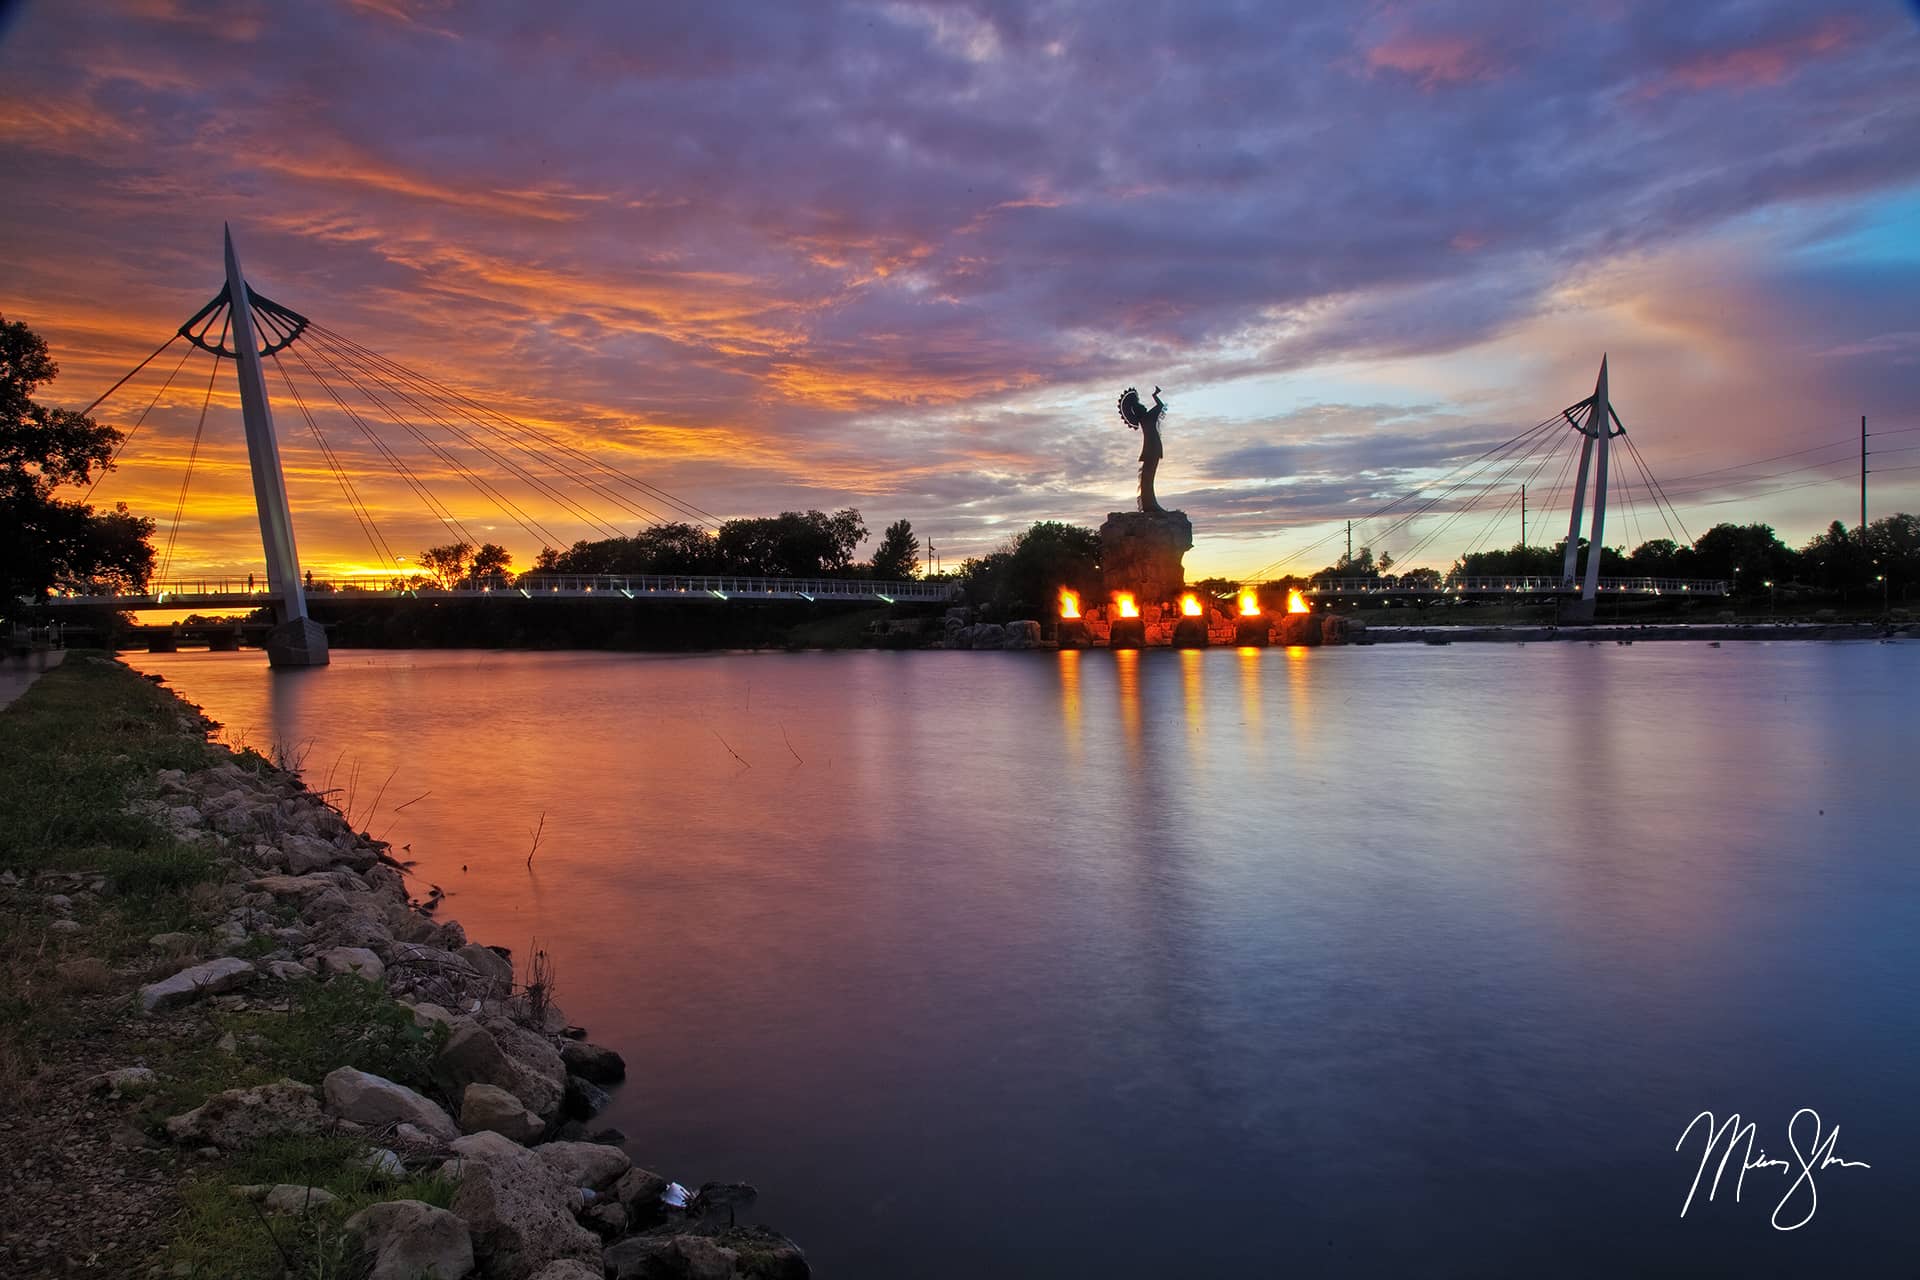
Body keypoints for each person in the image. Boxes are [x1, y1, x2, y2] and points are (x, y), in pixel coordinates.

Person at [1115, 385, 1168, 513]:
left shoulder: (1145, 418)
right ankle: (1150, 503)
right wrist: (1155, 395)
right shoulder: (1148, 417)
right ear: (1140, 410)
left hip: (1151, 447)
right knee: (1149, 475)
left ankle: (1149, 502)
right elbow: (1160, 406)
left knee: (1148, 475)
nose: (1144, 406)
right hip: (1152, 447)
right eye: (1141, 405)